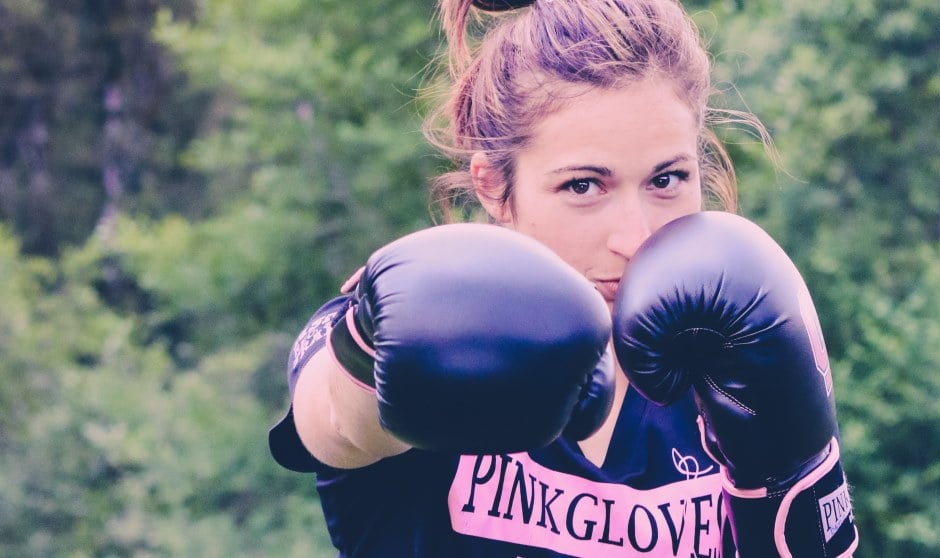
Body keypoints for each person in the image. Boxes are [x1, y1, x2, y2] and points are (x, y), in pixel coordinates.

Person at [268, 0, 860, 556]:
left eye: (666, 180)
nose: (634, 237)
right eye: (583, 186)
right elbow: (336, 426)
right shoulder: (425, 324)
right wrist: (371, 344)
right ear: (493, 187)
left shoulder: (732, 359)